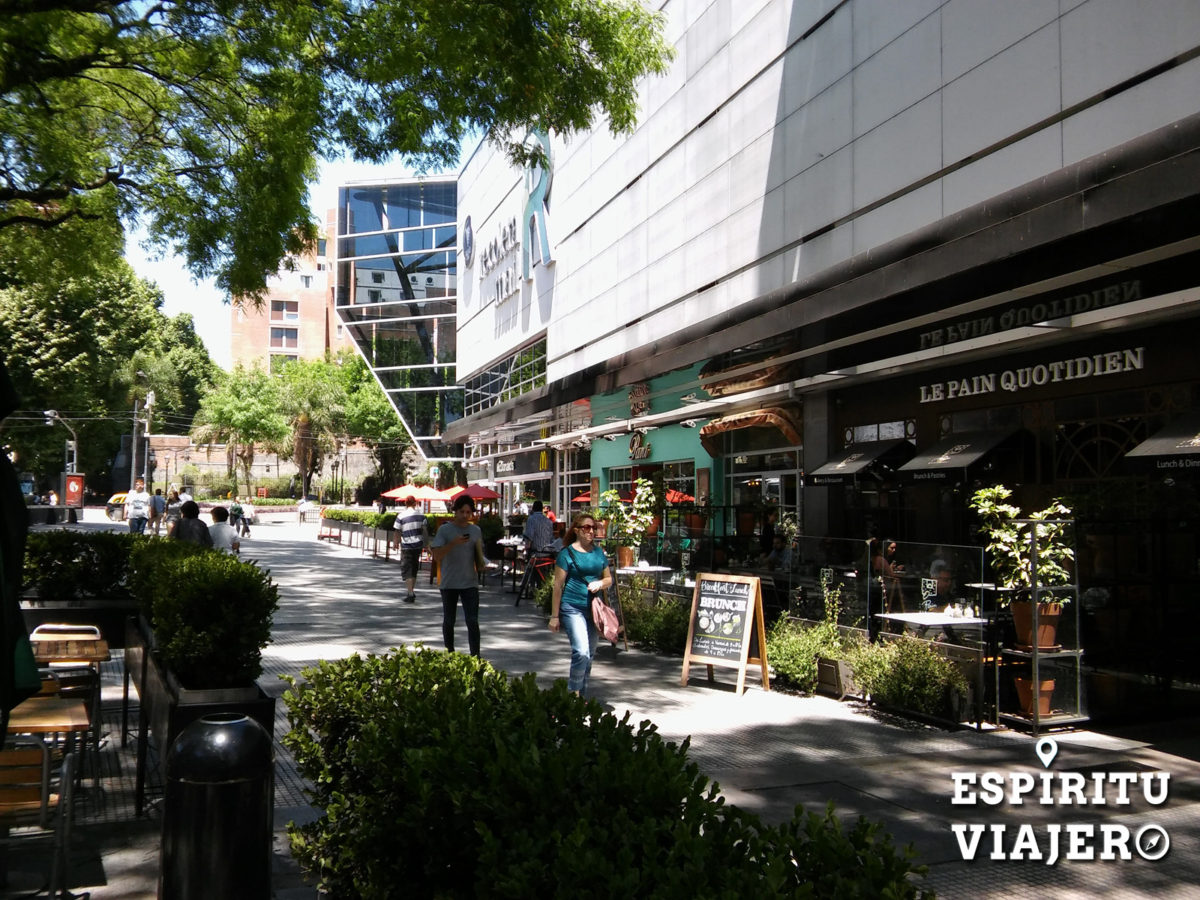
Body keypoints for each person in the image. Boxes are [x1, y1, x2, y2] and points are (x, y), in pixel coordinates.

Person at [548, 512, 613, 696]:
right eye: (586, 527)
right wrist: (554, 616)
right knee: (581, 652)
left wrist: (600, 583)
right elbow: (558, 586)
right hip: (572, 607)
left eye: (593, 527)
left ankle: (581, 697)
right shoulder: (566, 554)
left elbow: (609, 579)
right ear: (576, 530)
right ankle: (572, 693)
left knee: (590, 655)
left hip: (593, 609)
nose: (591, 531)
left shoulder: (599, 553)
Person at [430, 494, 487, 656]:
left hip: (470, 582)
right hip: (449, 583)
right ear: (455, 511)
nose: (464, 516)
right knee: (449, 621)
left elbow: (478, 554)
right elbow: (437, 555)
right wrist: (453, 543)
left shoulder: (476, 530)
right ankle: (450, 653)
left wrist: (483, 564)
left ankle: (475, 656)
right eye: (461, 512)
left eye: (468, 512)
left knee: (472, 621)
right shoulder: (445, 530)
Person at [397, 496, 429, 603]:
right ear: (415, 503)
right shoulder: (421, 516)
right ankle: (411, 591)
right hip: (417, 545)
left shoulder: (401, 516)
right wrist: (427, 544)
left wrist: (395, 543)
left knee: (407, 569)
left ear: (406, 503)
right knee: (414, 568)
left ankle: (410, 593)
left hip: (406, 546)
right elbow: (425, 531)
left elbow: (397, 531)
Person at [873, 538, 906, 612]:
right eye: (892, 548)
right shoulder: (880, 559)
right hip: (883, 588)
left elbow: (886, 571)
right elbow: (891, 575)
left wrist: (891, 568)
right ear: (885, 547)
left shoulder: (881, 559)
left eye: (895, 548)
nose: (894, 550)